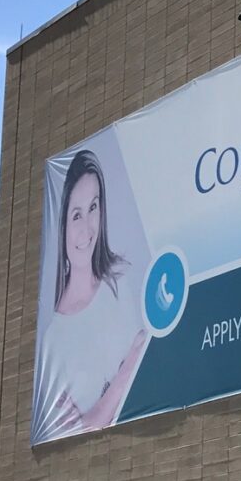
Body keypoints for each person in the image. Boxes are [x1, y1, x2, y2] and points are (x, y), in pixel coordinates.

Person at [40, 149, 146, 435]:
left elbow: (150, 358)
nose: (87, 228)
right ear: (62, 225)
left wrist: (100, 409)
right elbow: (84, 430)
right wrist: (129, 364)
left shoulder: (120, 281)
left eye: (93, 207)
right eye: (76, 215)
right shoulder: (53, 343)